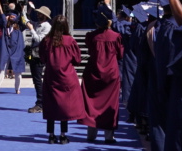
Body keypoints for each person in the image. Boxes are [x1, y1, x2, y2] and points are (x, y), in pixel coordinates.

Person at [80, 9, 123, 143]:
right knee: (111, 103)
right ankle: (109, 136)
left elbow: (90, 49)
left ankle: (91, 134)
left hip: (93, 72)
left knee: (92, 103)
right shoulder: (116, 36)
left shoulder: (91, 36)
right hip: (111, 73)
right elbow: (120, 54)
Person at [39, 17, 83, 143]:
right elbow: (77, 60)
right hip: (67, 77)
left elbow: (42, 58)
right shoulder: (70, 41)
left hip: (51, 76)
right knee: (65, 105)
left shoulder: (47, 40)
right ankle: (63, 135)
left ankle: (51, 135)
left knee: (51, 104)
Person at [25, 5, 51, 114]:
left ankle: (40, 103)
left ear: (44, 16)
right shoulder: (38, 24)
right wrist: (26, 9)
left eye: (40, 13)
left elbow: (39, 39)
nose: (38, 14)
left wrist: (31, 30)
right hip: (34, 55)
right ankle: (41, 102)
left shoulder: (47, 26)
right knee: (36, 80)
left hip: (40, 55)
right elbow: (26, 20)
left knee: (38, 79)